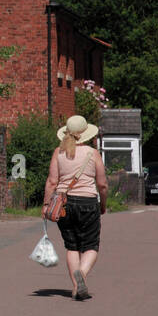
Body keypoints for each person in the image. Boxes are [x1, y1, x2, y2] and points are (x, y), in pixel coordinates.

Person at [44, 115, 108, 300]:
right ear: (85, 134)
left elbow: (52, 181)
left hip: (64, 203)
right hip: (88, 203)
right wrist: (102, 204)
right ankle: (82, 273)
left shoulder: (58, 152)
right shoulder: (92, 153)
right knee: (91, 245)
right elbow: (102, 184)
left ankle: (75, 287)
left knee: (72, 246)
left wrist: (46, 204)